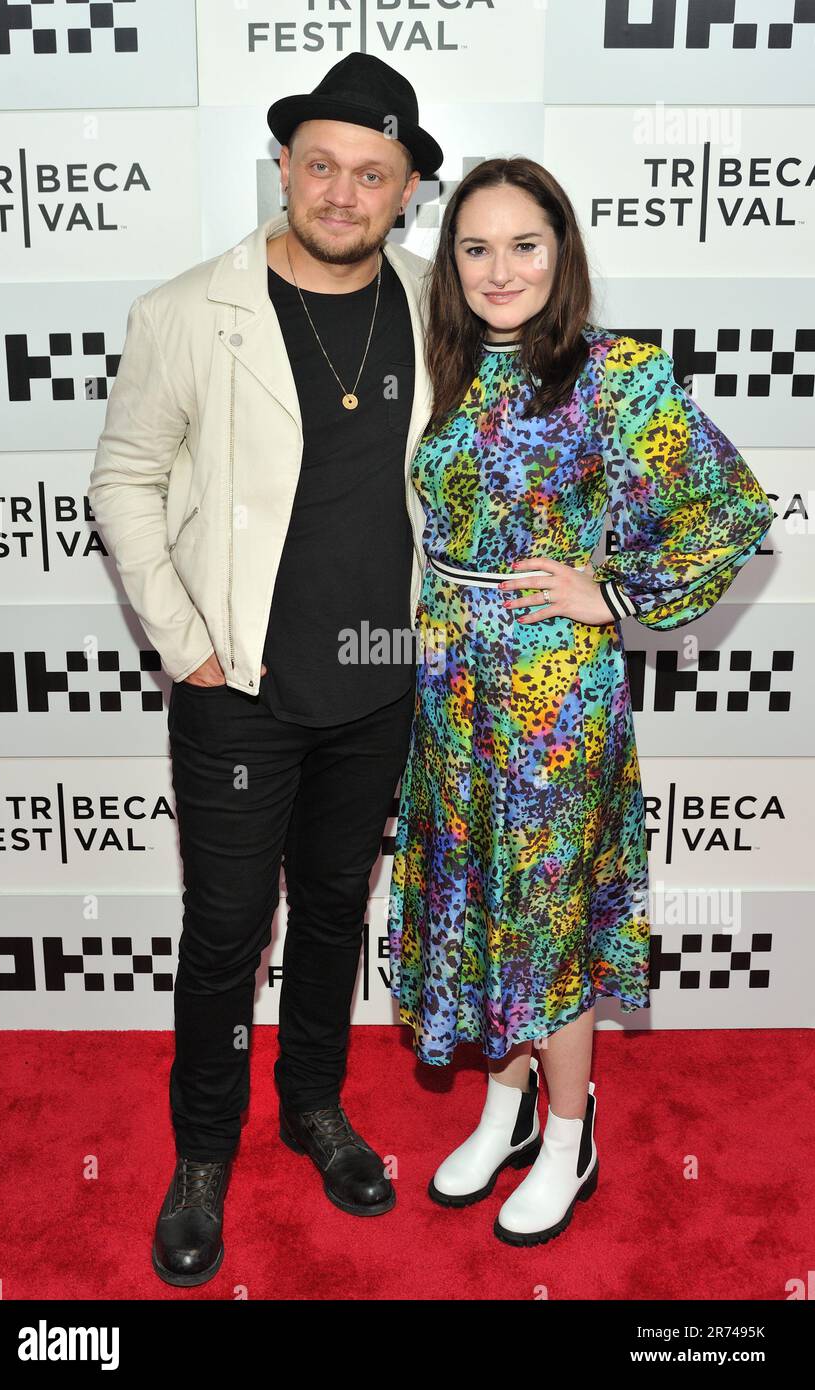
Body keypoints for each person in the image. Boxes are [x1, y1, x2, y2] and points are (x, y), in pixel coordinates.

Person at [88, 53, 443, 1286]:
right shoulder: (186, 310)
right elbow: (123, 480)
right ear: (286, 166)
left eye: (375, 173)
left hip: (381, 680)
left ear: (406, 192)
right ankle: (200, 1157)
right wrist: (186, 644)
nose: (344, 192)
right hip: (235, 685)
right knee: (228, 931)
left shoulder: (434, 304)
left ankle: (312, 1107)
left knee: (338, 912)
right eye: (324, 164)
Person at [387, 156, 774, 1248]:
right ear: (449, 261)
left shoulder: (615, 375)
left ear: (561, 256)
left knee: (546, 922)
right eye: (474, 246)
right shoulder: (446, 370)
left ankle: (569, 1134)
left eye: (523, 244)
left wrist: (613, 594)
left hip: (556, 699)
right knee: (484, 906)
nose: (498, 268)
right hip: (455, 691)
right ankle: (503, 1106)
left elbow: (730, 513)